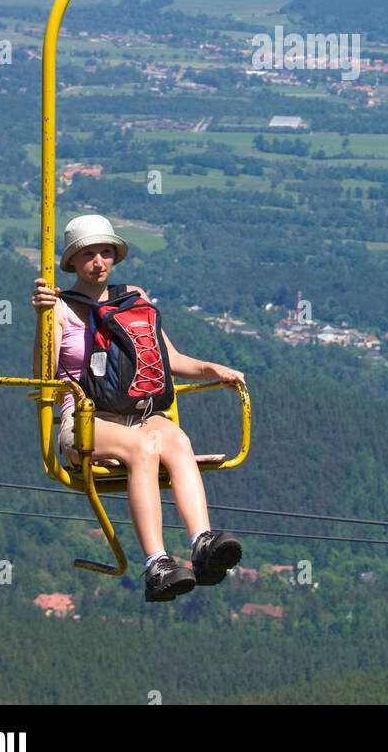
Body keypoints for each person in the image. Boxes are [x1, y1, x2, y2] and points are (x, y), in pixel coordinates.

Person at [32, 213, 244, 603]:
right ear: (73, 262)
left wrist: (212, 369)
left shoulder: (133, 299)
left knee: (176, 440)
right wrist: (43, 319)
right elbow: (42, 374)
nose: (98, 262)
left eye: (106, 253)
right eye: (89, 254)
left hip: (138, 413)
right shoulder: (60, 308)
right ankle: (156, 563)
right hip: (84, 421)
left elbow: (168, 357)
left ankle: (201, 542)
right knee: (143, 449)